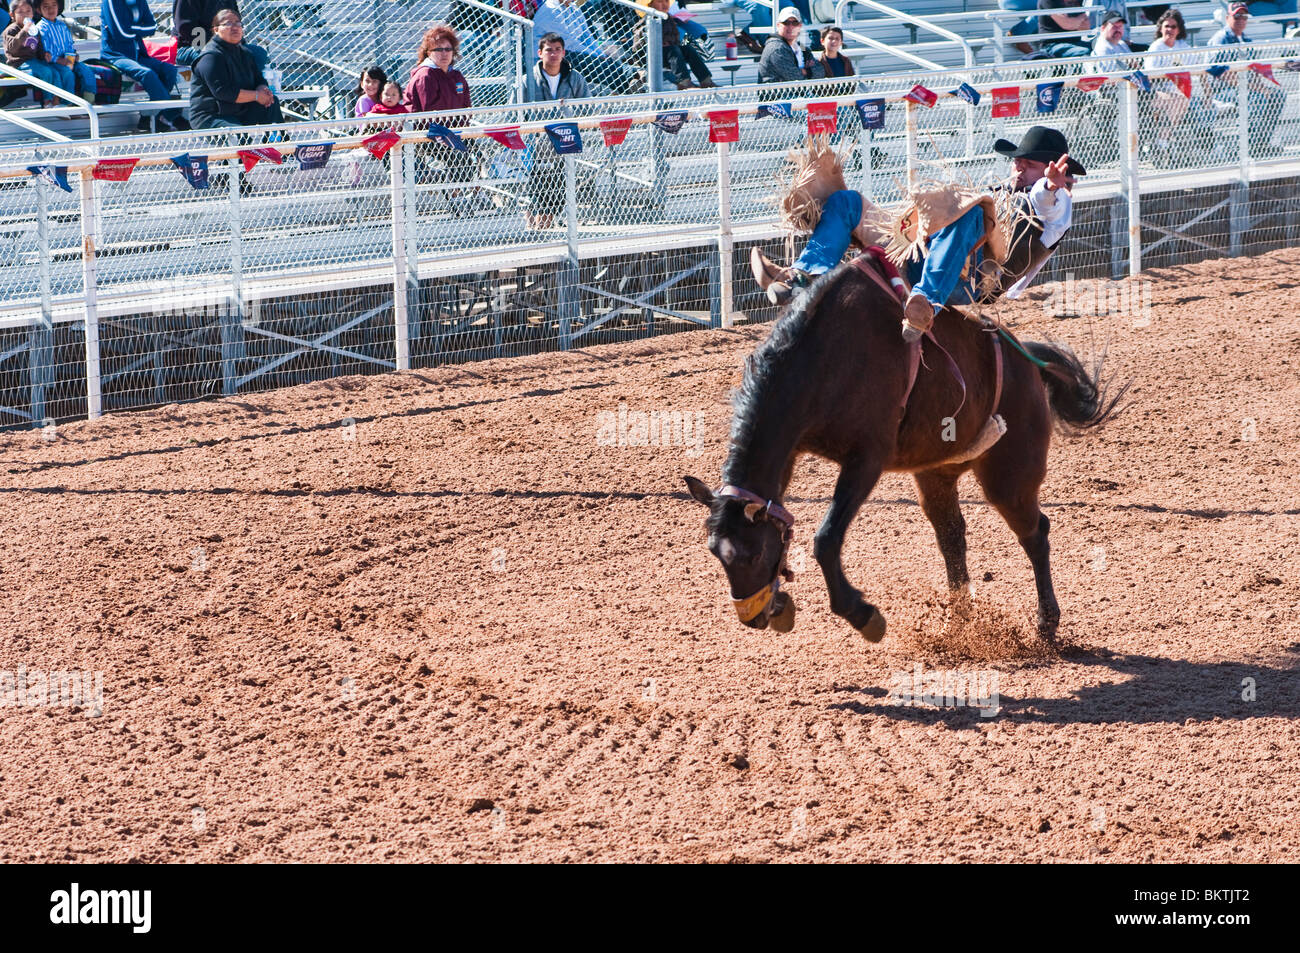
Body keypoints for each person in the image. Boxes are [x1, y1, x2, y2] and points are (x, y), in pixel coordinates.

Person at [753, 126, 1085, 346]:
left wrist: (1050, 182)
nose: (1016, 169)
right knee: (847, 202)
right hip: (918, 253)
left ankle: (926, 303)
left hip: (969, 282)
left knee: (973, 207)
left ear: (1051, 170)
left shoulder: (1056, 206)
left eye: (1026, 165)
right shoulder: (1002, 192)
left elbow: (1046, 198)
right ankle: (804, 276)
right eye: (1017, 163)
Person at [524, 31, 589, 230]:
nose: (553, 54)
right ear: (540, 53)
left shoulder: (574, 78)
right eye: (549, 50)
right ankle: (535, 227)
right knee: (538, 185)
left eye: (557, 50)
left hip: (566, 141)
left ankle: (542, 226)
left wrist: (568, 111)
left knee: (558, 186)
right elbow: (516, 111)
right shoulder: (528, 80)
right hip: (536, 143)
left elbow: (587, 107)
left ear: (563, 53)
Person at [1207, 2, 1287, 153]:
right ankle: (1247, 145)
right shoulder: (1221, 39)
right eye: (1237, 16)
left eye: (1244, 16)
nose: (1241, 19)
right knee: (1258, 97)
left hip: (1245, 88)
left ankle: (1260, 143)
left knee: (1278, 95)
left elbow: (1254, 71)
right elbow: (1222, 74)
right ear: (1227, 17)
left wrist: (1262, 87)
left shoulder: (1246, 40)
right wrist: (1258, 89)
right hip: (1222, 91)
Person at [100, 0, 188, 130]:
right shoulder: (111, 2)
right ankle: (172, 115)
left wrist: (132, 28)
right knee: (147, 73)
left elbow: (152, 26)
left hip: (138, 55)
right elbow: (120, 33)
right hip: (115, 56)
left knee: (169, 70)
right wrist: (140, 29)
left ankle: (149, 117)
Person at [187, 9, 282, 128]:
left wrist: (263, 89)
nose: (235, 27)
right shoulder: (210, 57)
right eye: (228, 23)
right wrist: (257, 96)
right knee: (236, 133)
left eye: (238, 23)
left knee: (271, 102)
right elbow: (223, 92)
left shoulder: (245, 53)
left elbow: (259, 79)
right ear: (216, 30)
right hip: (213, 116)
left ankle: (275, 142)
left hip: (239, 110)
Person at [532, 0, 642, 94]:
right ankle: (630, 79)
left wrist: (600, 54)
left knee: (601, 56)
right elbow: (569, 44)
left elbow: (587, 37)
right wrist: (595, 55)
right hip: (549, 58)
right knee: (581, 59)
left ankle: (631, 76)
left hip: (573, 52)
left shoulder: (573, 8)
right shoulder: (550, 11)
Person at [636, 0, 715, 89]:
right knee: (673, 50)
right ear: (650, 5)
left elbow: (675, 37)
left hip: (667, 54)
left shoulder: (668, 19)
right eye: (660, 2)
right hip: (650, 56)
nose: (664, 5)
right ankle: (683, 82)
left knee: (687, 48)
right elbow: (640, 46)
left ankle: (705, 80)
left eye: (666, 1)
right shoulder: (647, 21)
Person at [174, 0, 266, 70]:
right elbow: (185, 27)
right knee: (218, 56)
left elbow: (235, 20)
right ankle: (224, 92)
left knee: (258, 54)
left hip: (225, 45)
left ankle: (247, 91)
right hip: (191, 47)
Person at [403, 23, 472, 114]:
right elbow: (429, 112)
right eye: (438, 49)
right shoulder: (425, 76)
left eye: (448, 49)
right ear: (428, 53)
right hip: (429, 127)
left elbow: (466, 106)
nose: (444, 53)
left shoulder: (456, 76)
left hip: (456, 126)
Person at [35, 0, 95, 100]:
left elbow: (69, 44)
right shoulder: (41, 28)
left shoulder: (62, 25)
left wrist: (74, 55)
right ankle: (67, 103)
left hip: (68, 60)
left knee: (86, 70)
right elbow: (44, 51)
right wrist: (58, 60)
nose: (51, 9)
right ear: (39, 10)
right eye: (46, 6)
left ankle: (89, 100)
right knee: (67, 74)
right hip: (53, 63)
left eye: (54, 5)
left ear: (59, 7)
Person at [4, 0, 60, 104]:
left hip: (34, 61)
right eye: (21, 12)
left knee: (55, 73)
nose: (25, 14)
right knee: (46, 72)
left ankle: (57, 101)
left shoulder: (34, 29)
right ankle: (47, 101)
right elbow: (12, 48)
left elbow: (38, 46)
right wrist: (24, 31)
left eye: (28, 11)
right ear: (12, 15)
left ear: (33, 13)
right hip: (19, 63)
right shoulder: (11, 30)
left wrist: (44, 55)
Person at [758, 8, 824, 83]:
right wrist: (809, 71)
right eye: (786, 23)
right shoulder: (777, 48)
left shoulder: (801, 47)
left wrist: (805, 71)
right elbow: (795, 78)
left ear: (800, 25)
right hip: (778, 94)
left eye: (795, 23)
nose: (791, 27)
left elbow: (820, 72)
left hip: (800, 93)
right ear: (778, 25)